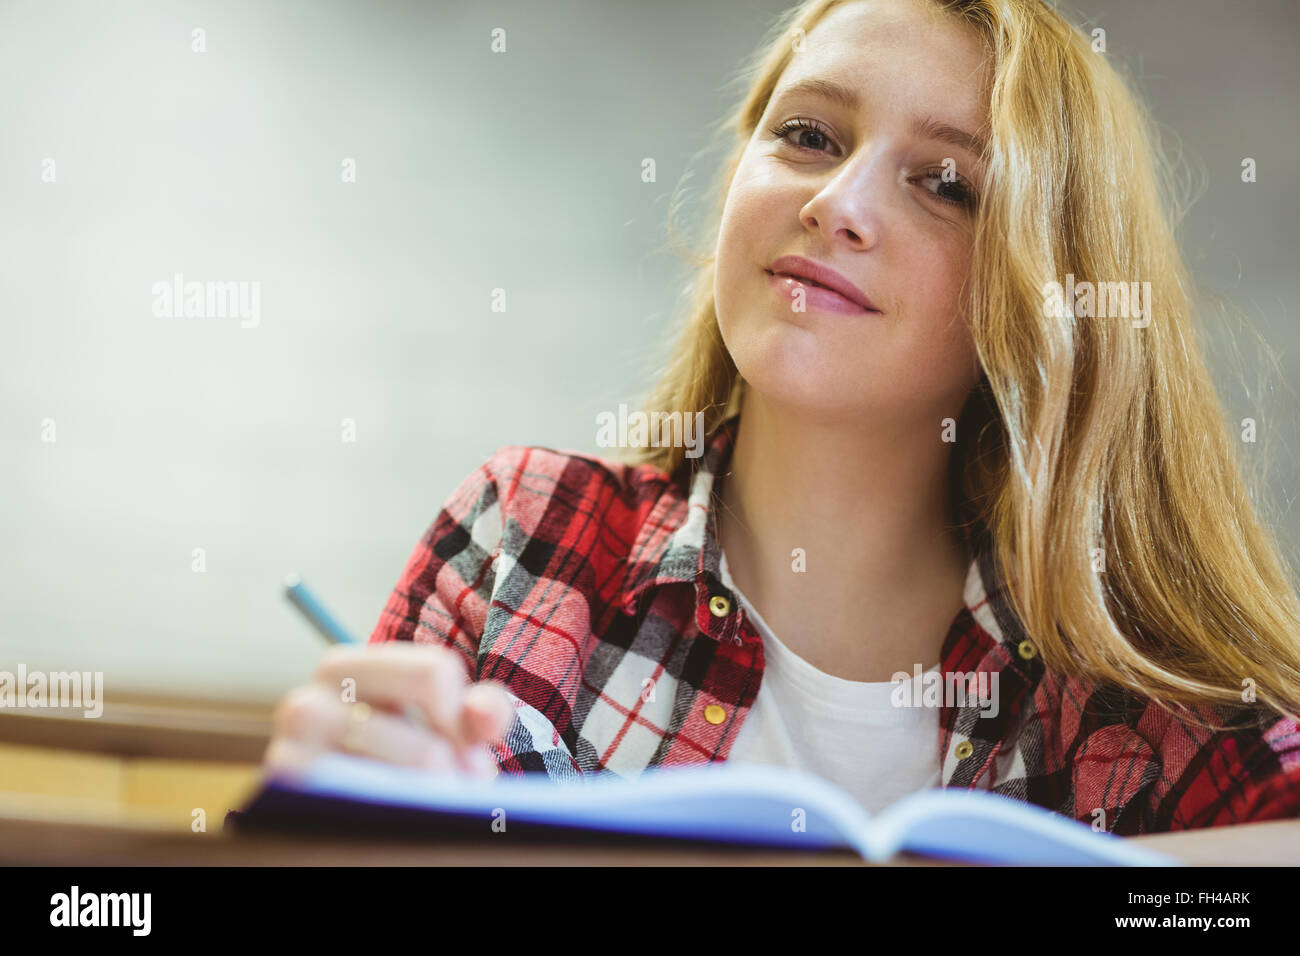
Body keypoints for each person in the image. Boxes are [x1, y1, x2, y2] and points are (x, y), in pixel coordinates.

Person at [264, 0, 1300, 834]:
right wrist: (339, 801)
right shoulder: (525, 530)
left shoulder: (1120, 692)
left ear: (1042, 295)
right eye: (806, 135)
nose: (836, 202)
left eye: (944, 183)